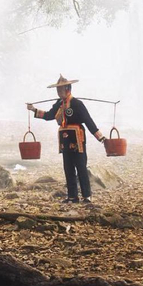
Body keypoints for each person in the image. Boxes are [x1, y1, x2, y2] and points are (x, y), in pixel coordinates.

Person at [30, 73, 105, 207]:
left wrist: (101, 137)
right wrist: (33, 110)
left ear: (68, 89)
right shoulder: (58, 104)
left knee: (81, 167)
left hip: (77, 139)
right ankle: (72, 196)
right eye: (57, 90)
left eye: (61, 89)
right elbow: (48, 115)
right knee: (68, 168)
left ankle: (87, 196)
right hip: (64, 140)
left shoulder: (77, 104)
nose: (58, 92)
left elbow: (88, 121)